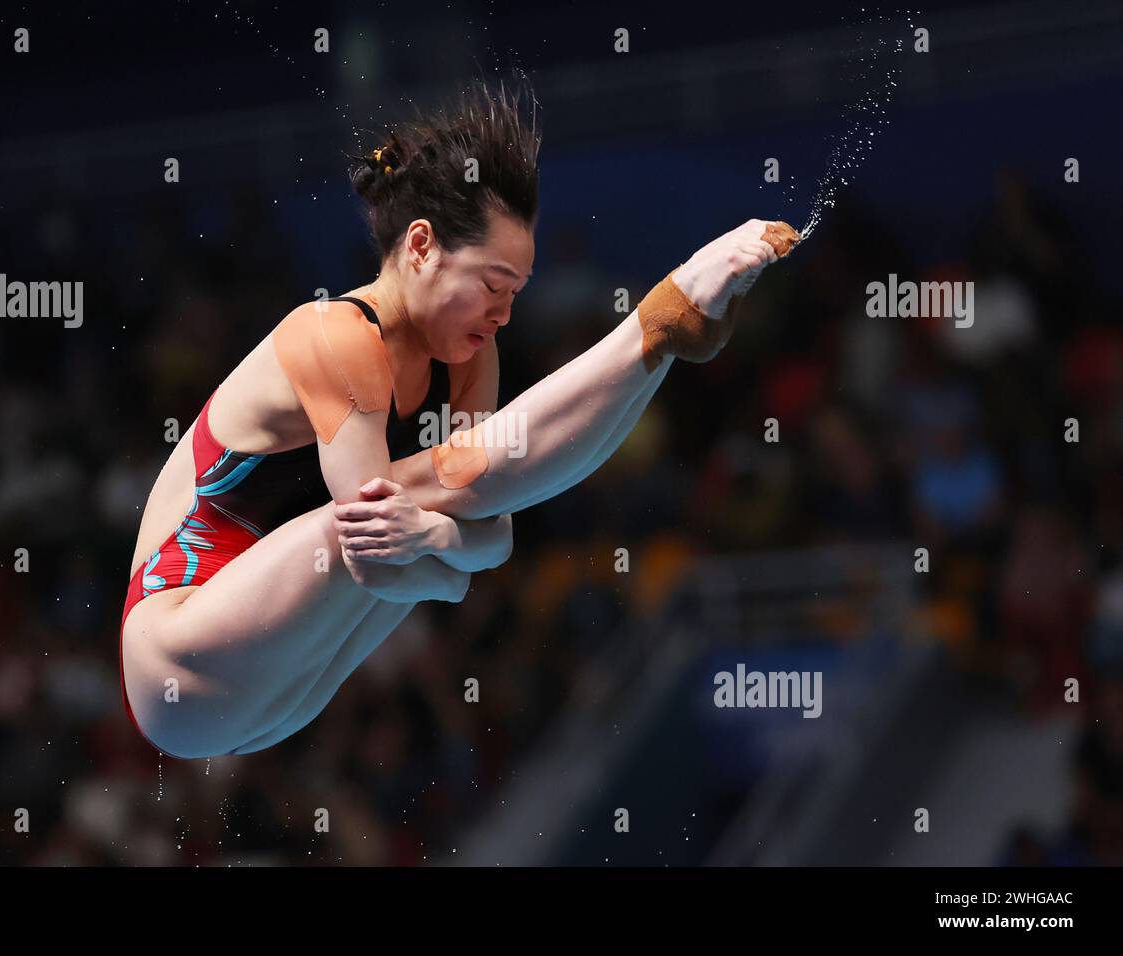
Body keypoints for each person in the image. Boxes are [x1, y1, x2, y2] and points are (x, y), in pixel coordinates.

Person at [120, 78, 799, 758]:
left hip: (285, 698)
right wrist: (446, 554)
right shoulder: (332, 335)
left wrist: (439, 546)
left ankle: (662, 343)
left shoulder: (471, 356)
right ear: (420, 246)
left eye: (517, 292)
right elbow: (386, 556)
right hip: (180, 664)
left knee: (418, 514)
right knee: (367, 523)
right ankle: (658, 327)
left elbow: (492, 531)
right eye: (491, 285)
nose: (503, 313)